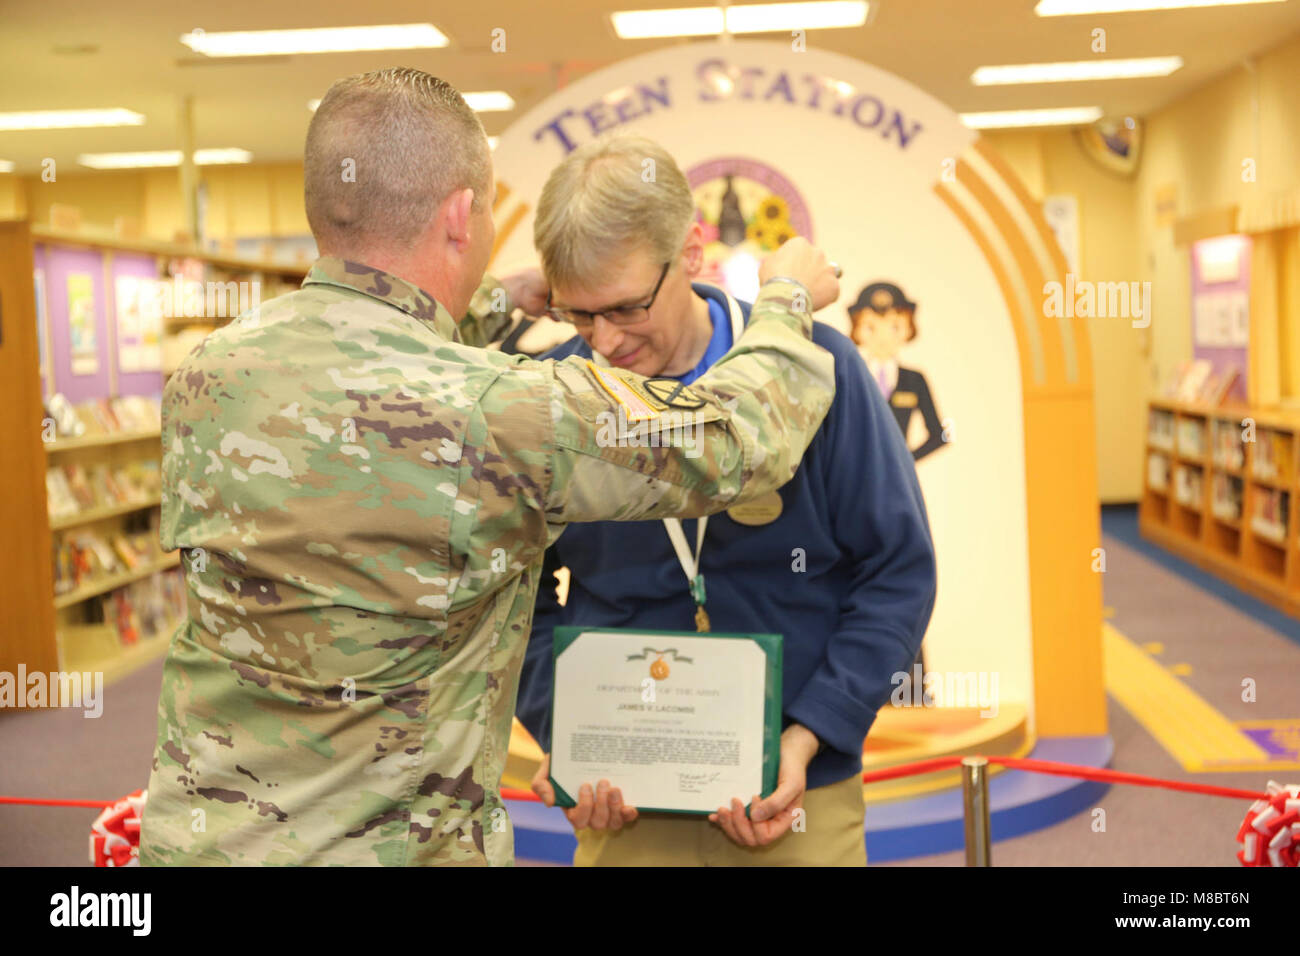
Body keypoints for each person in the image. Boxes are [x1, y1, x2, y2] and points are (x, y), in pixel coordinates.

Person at [137, 68, 841, 867]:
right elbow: (741, 442)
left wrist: (497, 302)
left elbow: (368, 365)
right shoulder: (502, 413)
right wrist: (785, 302)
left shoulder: (207, 378)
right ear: (462, 215)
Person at [515, 134, 937, 866]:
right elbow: (508, 593)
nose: (604, 343)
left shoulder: (821, 368)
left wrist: (811, 734)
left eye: (625, 307)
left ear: (691, 253)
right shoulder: (546, 398)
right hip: (620, 799)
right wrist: (563, 725)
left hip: (797, 788)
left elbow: (896, 571)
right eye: (578, 317)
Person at [848, 282, 946, 463]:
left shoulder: (914, 380)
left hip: (896, 481)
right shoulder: (851, 376)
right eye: (871, 327)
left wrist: (906, 462)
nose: (883, 336)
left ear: (908, 329)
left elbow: (939, 435)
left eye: (894, 327)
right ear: (857, 329)